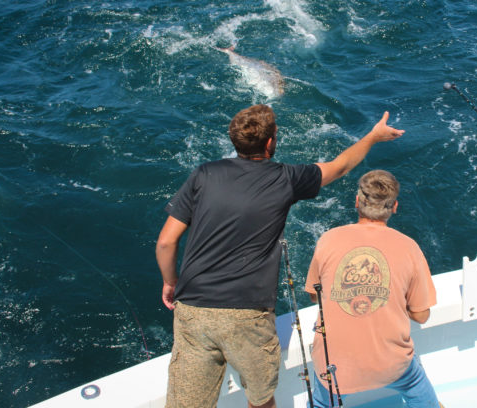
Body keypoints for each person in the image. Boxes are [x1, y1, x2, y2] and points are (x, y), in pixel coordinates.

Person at [155, 104, 404, 408]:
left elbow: (166, 242)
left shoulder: (204, 174)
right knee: (261, 400)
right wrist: (374, 137)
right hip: (246, 314)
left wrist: (171, 282)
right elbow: (339, 167)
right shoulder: (286, 178)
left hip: (192, 309)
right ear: (271, 142)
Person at [304, 170, 441, 408]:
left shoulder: (327, 239)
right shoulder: (409, 247)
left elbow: (314, 294)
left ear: (357, 201)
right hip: (392, 365)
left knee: (322, 401)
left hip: (334, 366)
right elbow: (421, 315)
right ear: (394, 206)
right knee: (417, 385)